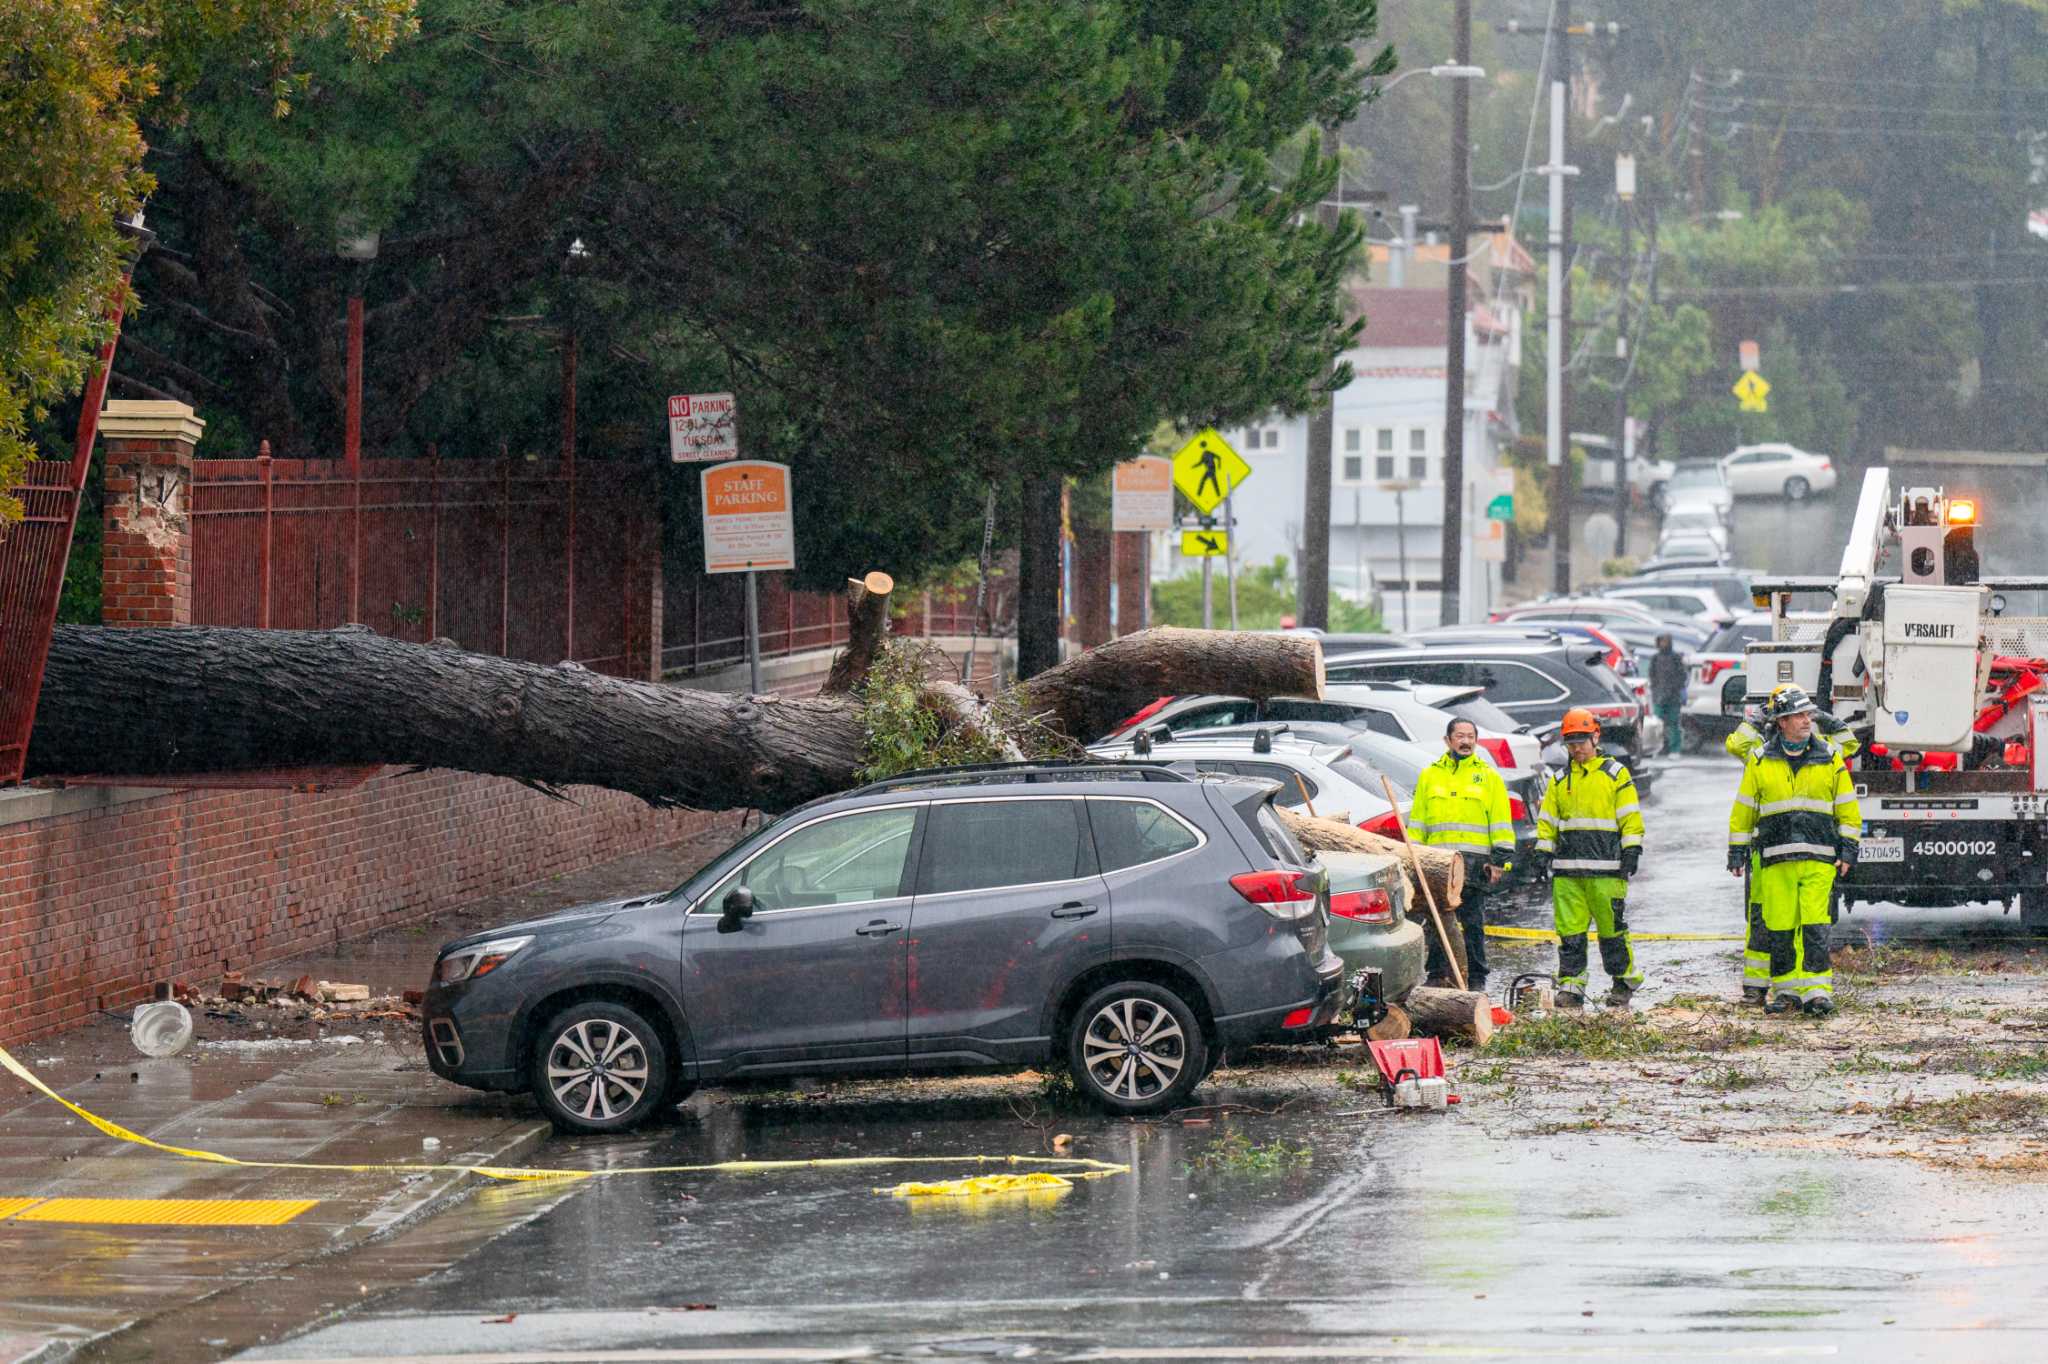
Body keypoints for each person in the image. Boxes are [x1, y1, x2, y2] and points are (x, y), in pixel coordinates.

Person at [1727, 684, 1861, 1017]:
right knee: (1780, 930)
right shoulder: (1760, 757)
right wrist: (1736, 852)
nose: (1806, 720)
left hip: (1817, 856)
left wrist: (1848, 849)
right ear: (1781, 722)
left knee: (1815, 927)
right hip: (1774, 858)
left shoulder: (1829, 755)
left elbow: (1847, 806)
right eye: (1798, 715)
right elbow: (1743, 809)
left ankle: (1817, 993)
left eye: (1808, 714)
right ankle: (1786, 993)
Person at [1531, 708, 1646, 1007]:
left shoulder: (1615, 774)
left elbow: (1630, 817)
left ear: (1595, 737)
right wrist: (1542, 853)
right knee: (1570, 934)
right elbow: (1548, 822)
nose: (1577, 748)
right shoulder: (1559, 780)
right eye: (1571, 743)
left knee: (1612, 933)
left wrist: (1632, 850)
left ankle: (1623, 982)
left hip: (1608, 870)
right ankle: (1571, 986)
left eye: (1581, 741)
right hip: (1568, 872)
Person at [1408, 718, 1516, 989]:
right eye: (1460, 736)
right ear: (1448, 740)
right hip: (1437, 864)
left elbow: (1501, 821)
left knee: (1472, 923)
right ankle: (1437, 975)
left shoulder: (1489, 777)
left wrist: (1499, 861)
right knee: (1437, 922)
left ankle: (1476, 977)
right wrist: (1413, 859)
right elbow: (1418, 822)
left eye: (1470, 736)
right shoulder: (1430, 776)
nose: (1465, 741)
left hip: (1475, 864)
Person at [1648, 634, 1687, 757]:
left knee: (1673, 723)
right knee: (1658, 724)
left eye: (1665, 641)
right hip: (1659, 697)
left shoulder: (1675, 657)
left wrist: (1673, 689)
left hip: (1673, 698)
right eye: (1661, 641)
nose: (1663, 644)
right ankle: (1657, 749)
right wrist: (1656, 690)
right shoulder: (1655, 658)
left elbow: (1682, 676)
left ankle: (1675, 749)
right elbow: (1652, 675)